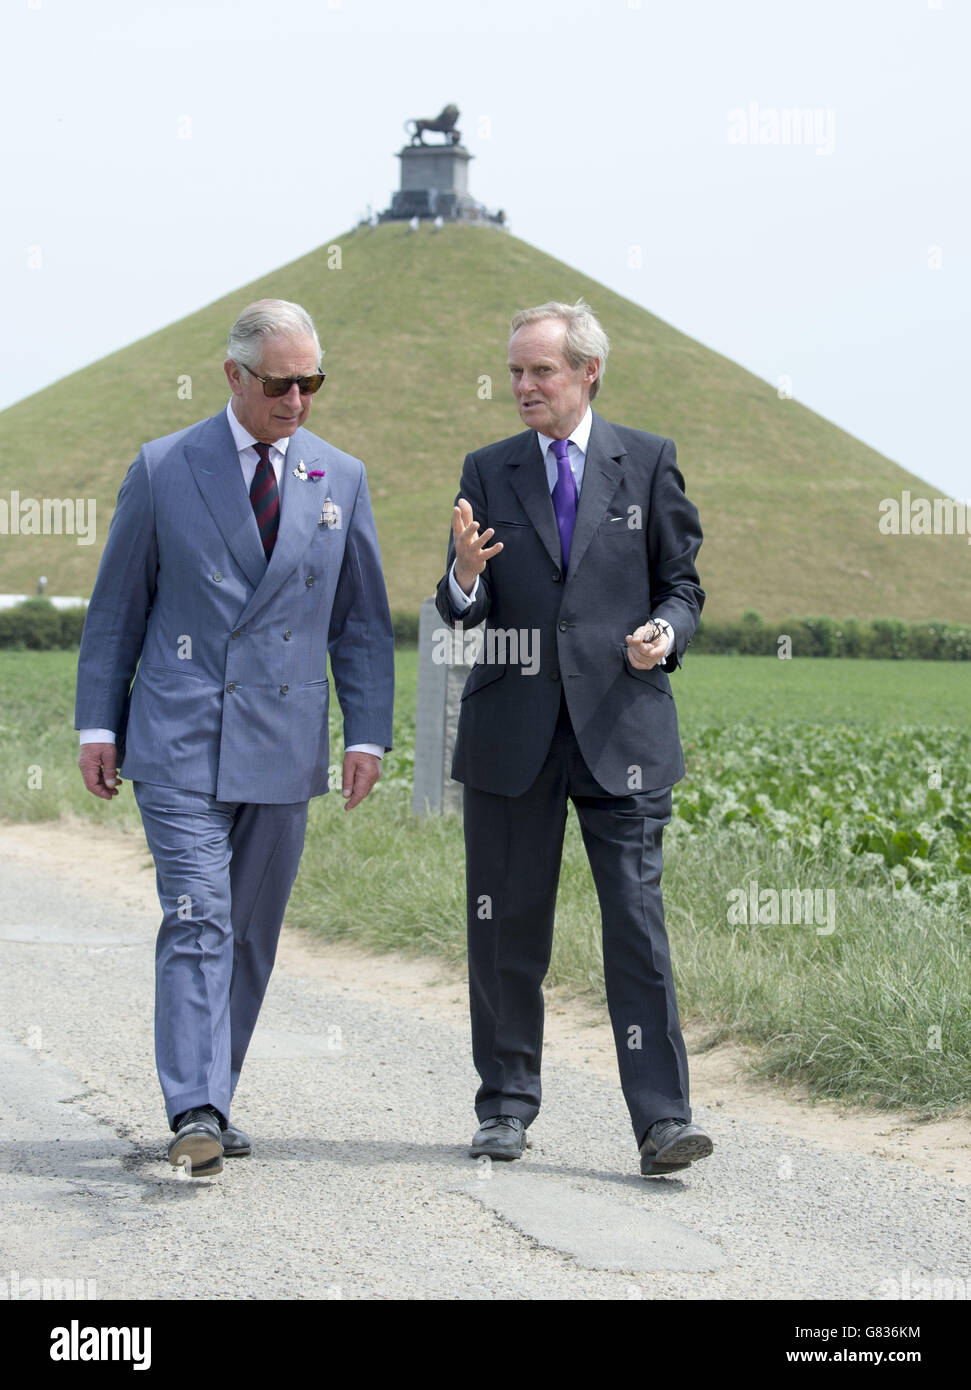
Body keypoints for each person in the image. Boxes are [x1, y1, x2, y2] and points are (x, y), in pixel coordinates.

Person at [75, 299, 394, 1176]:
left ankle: (217, 1088)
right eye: (280, 383)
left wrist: (367, 733)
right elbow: (115, 610)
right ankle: (196, 1106)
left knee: (250, 929)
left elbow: (360, 623)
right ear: (233, 377)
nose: (297, 399)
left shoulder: (342, 477)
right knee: (198, 915)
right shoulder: (164, 467)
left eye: (311, 383)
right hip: (177, 736)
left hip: (283, 742)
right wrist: (98, 721)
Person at [435, 299, 711, 1177]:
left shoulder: (649, 461)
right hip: (510, 736)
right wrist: (463, 576)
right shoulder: (488, 466)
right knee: (506, 927)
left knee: (635, 925)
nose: (521, 386)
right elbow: (458, 608)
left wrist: (663, 637)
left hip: (621, 732)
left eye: (539, 371)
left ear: (588, 372)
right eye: (515, 370)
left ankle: (663, 1122)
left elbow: (682, 588)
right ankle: (506, 1106)